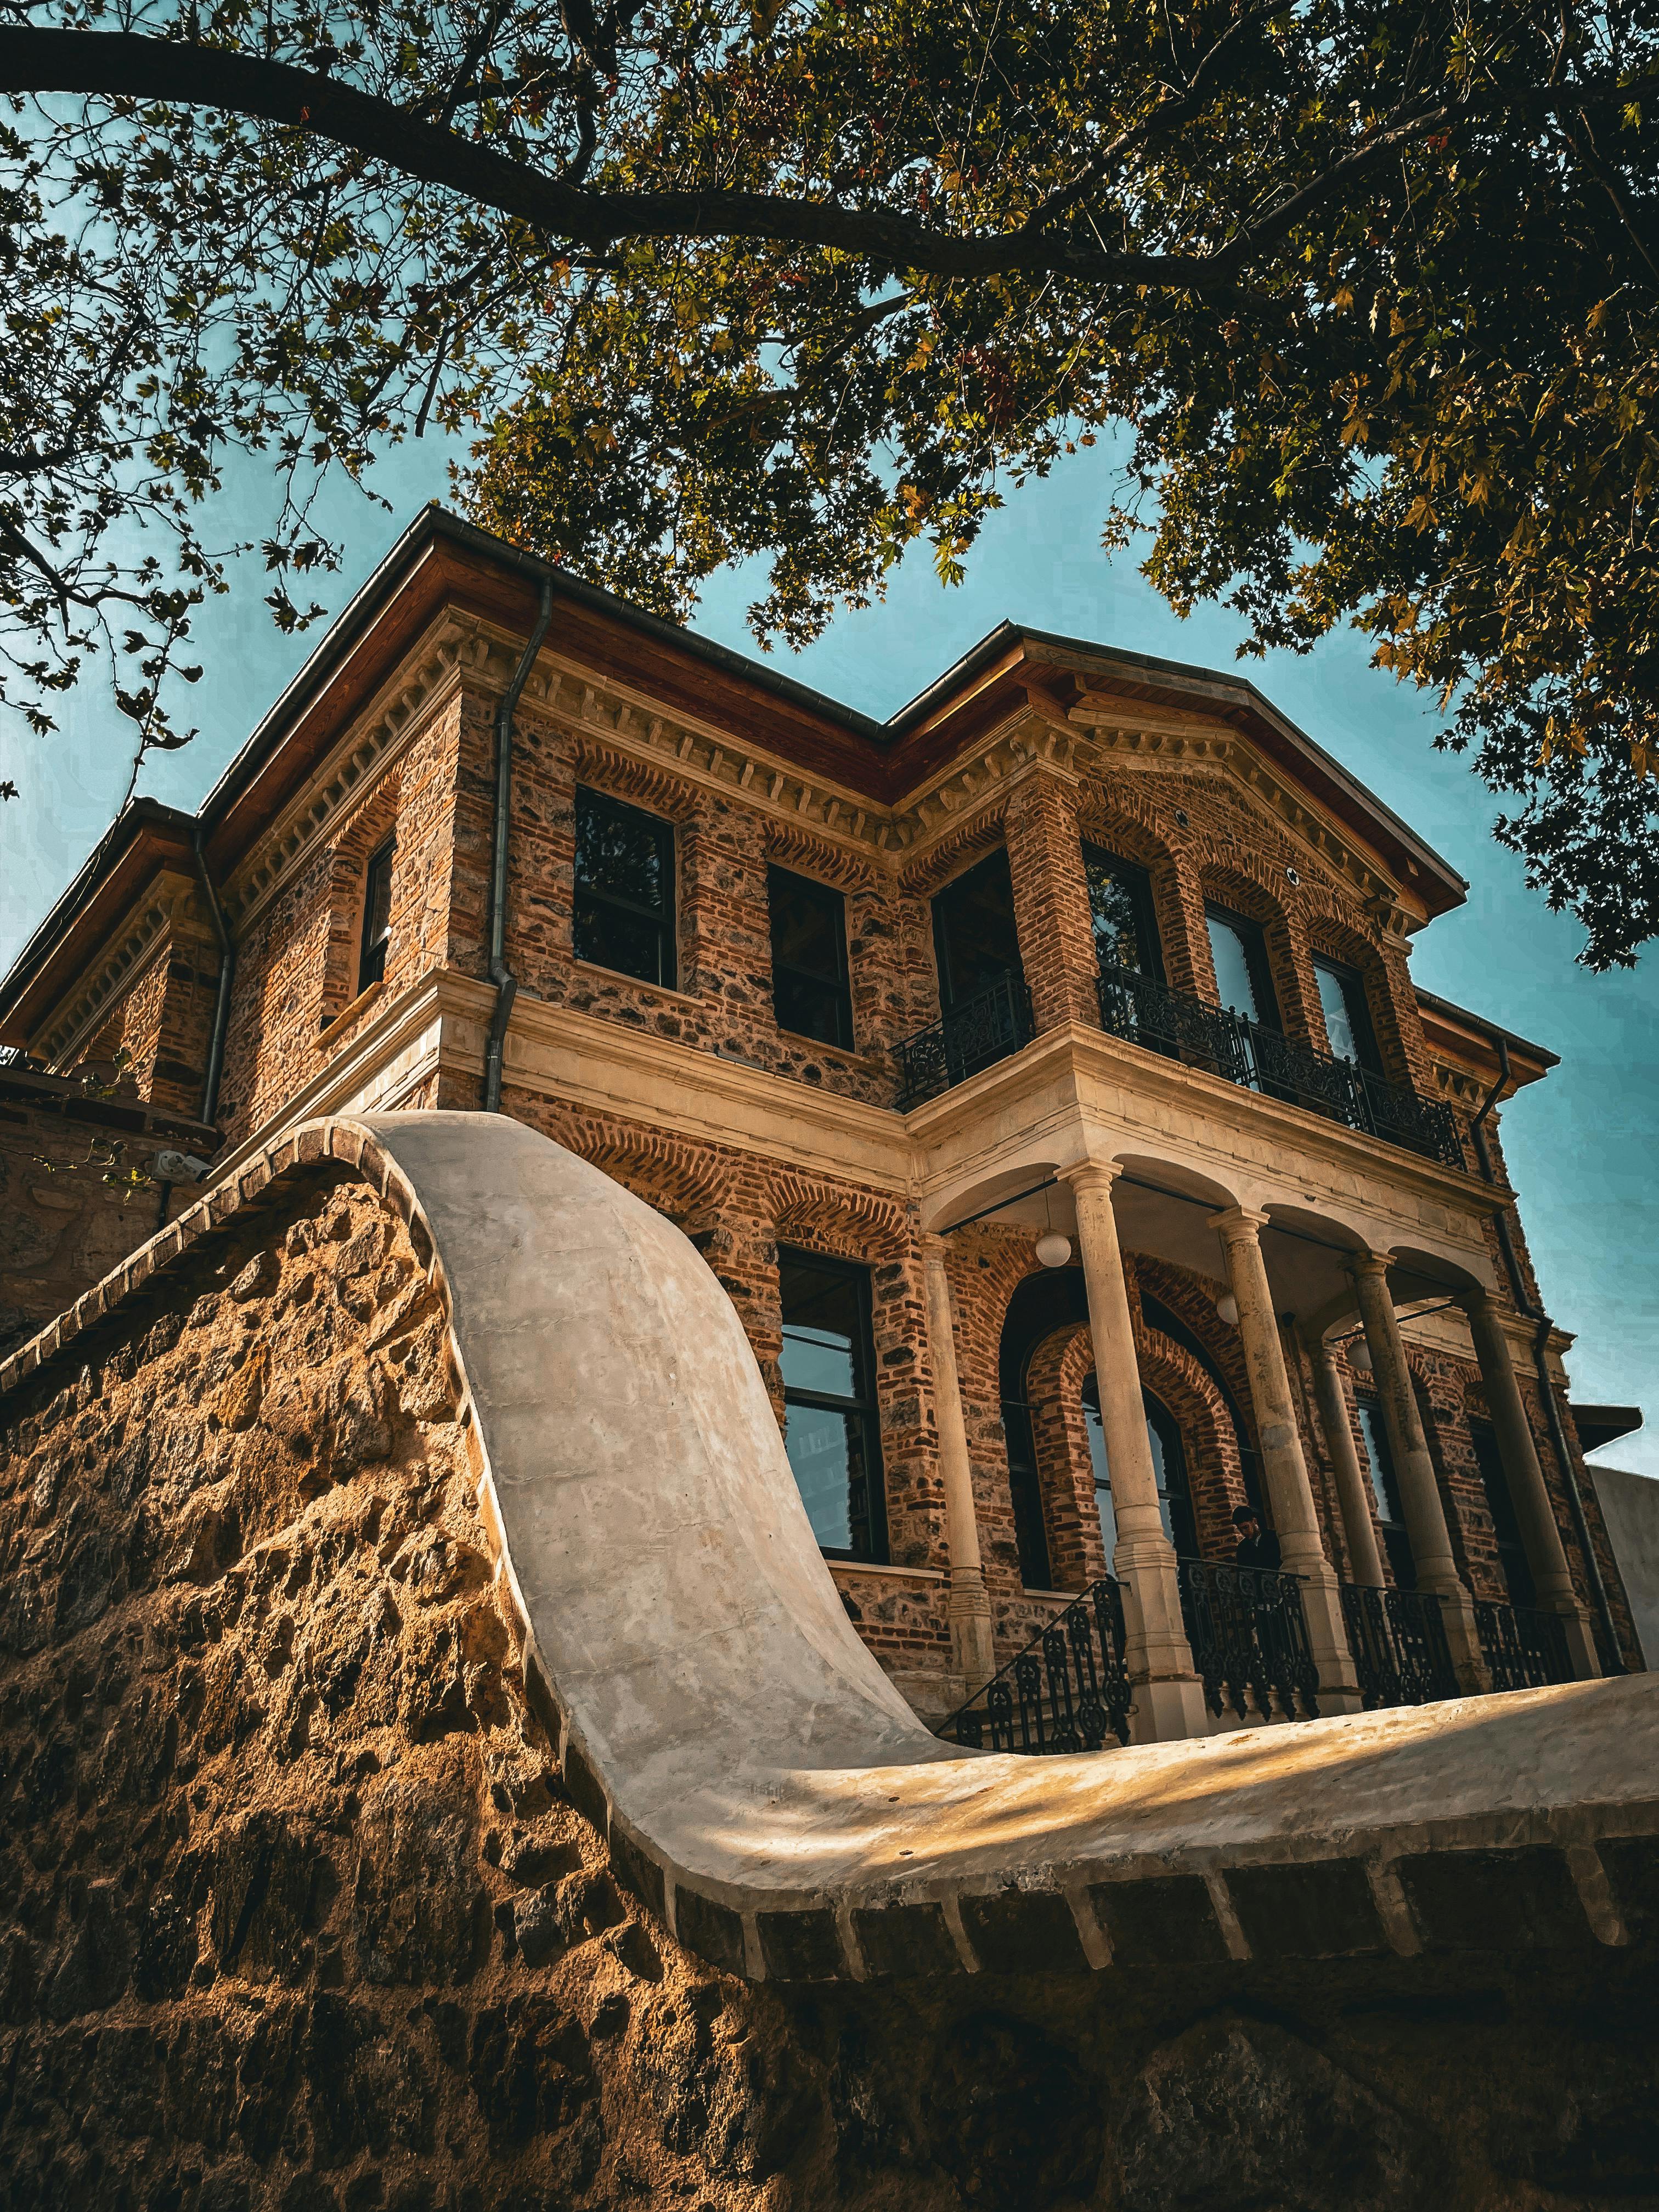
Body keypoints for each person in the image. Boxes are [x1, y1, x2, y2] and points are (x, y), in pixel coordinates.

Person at [1232, 1504, 1282, 1572]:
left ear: (1254, 1521)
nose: (1244, 1532)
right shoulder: (1242, 1548)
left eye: (1246, 1527)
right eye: (1240, 1529)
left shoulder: (1273, 1537)